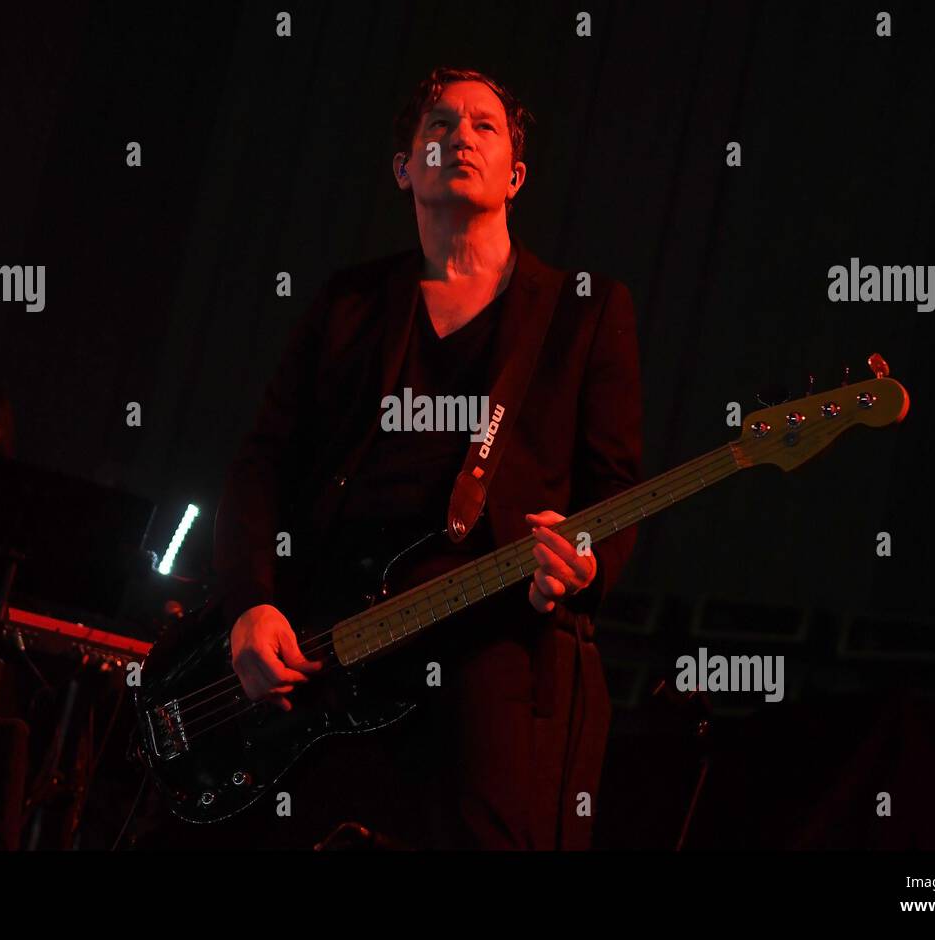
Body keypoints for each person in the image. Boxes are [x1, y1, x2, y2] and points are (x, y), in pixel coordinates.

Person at [209, 67, 642, 849]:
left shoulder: (586, 310)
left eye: (483, 125)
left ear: (515, 173)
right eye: (438, 125)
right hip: (328, 641)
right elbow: (261, 463)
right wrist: (249, 601)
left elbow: (616, 487)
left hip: (494, 645)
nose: (459, 136)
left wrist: (586, 563)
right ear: (405, 168)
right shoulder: (350, 302)